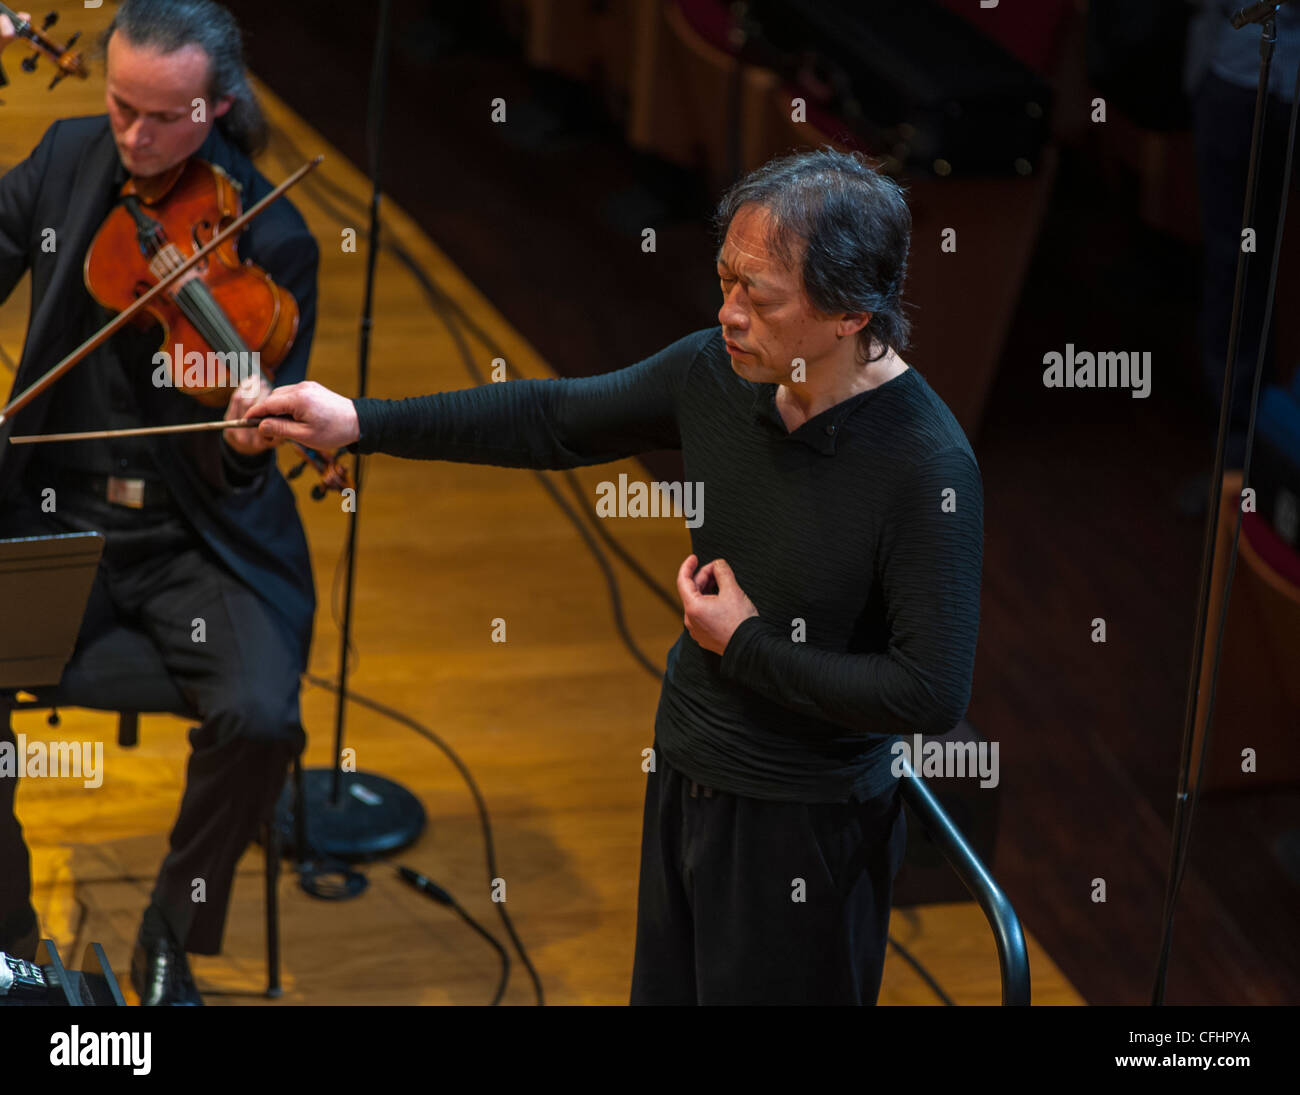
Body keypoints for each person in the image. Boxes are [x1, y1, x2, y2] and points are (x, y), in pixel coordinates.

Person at [249, 148, 984, 1005]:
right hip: (685, 771)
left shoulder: (924, 464)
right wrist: (357, 422)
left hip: (804, 832)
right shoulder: (717, 372)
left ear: (852, 313)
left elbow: (931, 691)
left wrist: (744, 646)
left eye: (759, 296)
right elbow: (554, 419)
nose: (728, 313)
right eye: (725, 280)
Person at [0, 0, 319, 1005]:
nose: (134, 138)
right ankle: (11, 949)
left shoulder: (274, 238)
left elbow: (253, 465)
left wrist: (241, 445)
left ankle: (172, 933)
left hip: (196, 543)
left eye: (163, 118)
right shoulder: (64, 161)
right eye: (121, 106)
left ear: (218, 106)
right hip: (54, 515)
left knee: (263, 717)